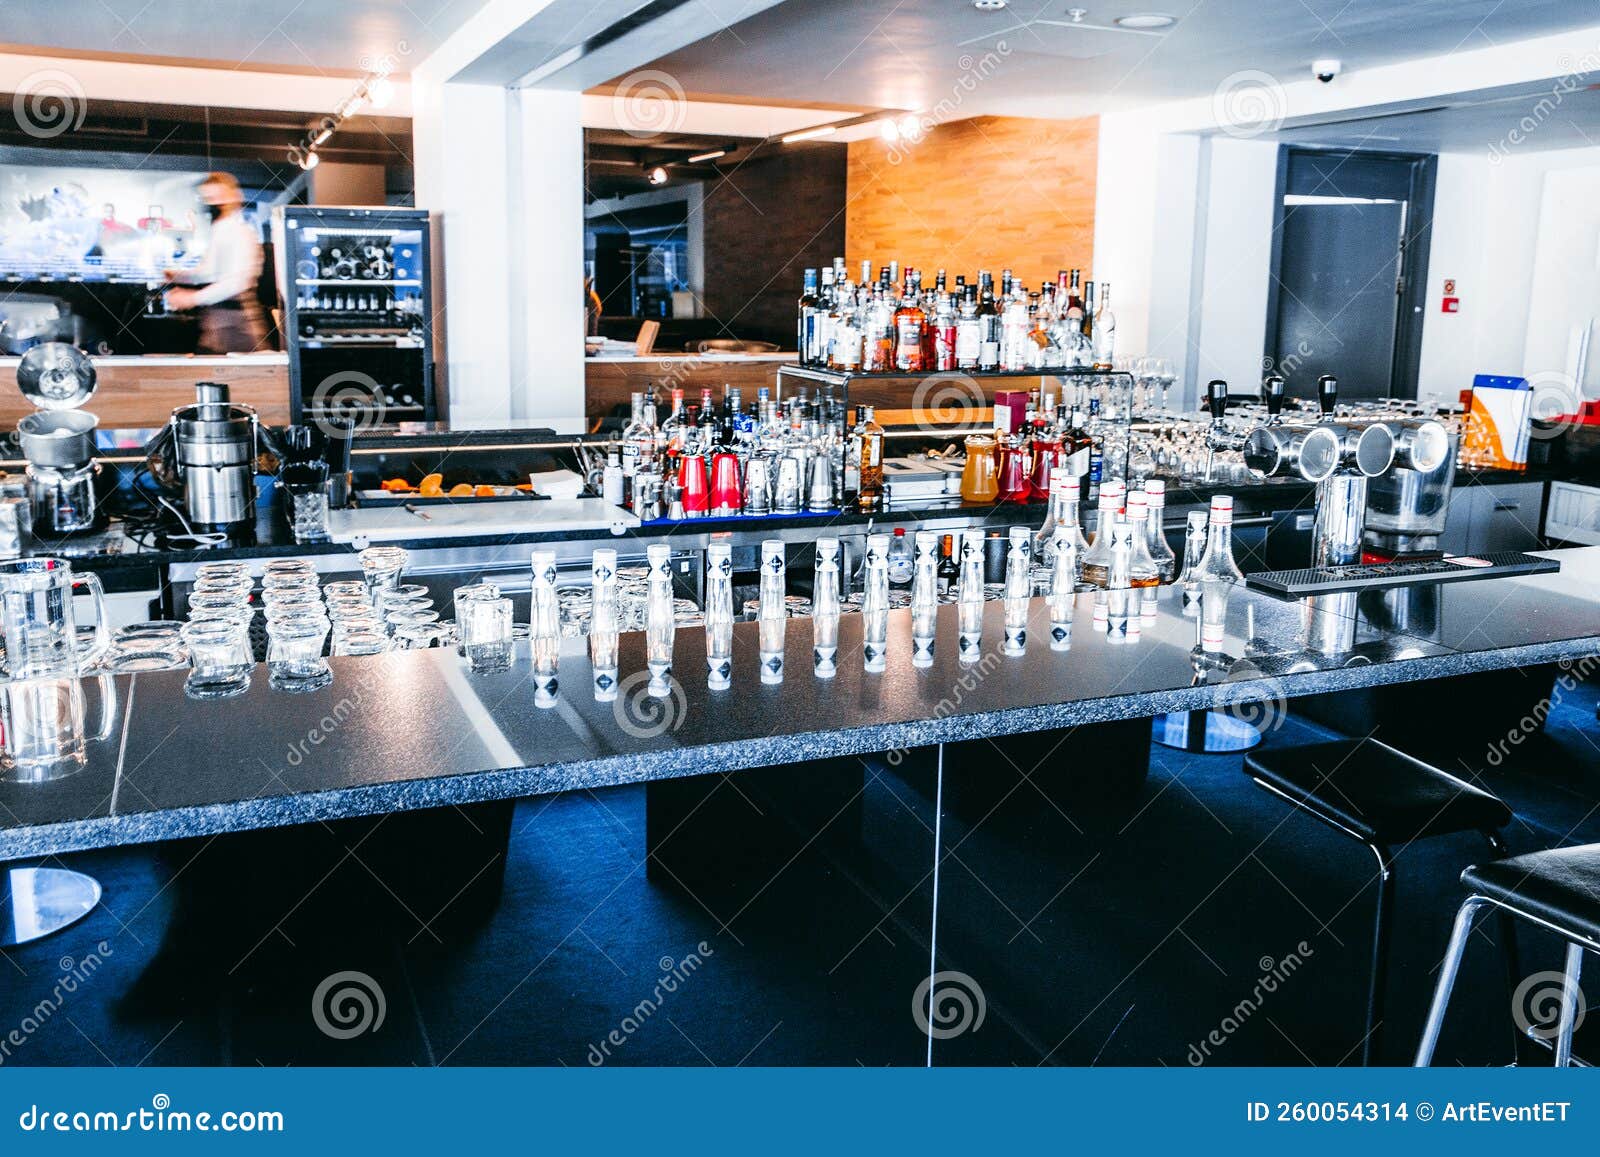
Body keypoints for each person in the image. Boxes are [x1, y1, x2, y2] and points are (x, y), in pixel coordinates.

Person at [164, 172, 267, 353]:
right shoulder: (220, 229)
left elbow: (237, 282)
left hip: (237, 323)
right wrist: (182, 276)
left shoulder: (241, 232)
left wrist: (191, 298)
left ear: (235, 197)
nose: (213, 204)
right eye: (208, 198)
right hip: (218, 321)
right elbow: (210, 270)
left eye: (219, 197)